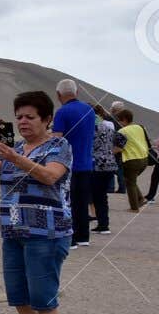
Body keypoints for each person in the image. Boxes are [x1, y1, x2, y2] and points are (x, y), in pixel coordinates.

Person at [0, 90, 72, 314]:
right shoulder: (14, 148)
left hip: (46, 232)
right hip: (13, 229)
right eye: (19, 116)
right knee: (18, 295)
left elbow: (49, 176)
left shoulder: (59, 146)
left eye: (29, 117)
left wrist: (16, 159)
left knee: (43, 296)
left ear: (46, 119)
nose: (22, 122)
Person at [52, 79, 97, 248]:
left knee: (67, 202)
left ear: (58, 95)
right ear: (76, 92)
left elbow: (57, 139)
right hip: (86, 163)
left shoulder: (62, 112)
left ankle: (70, 239)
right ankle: (83, 237)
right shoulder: (89, 110)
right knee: (81, 201)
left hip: (68, 165)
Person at [113, 107, 150, 212]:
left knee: (130, 183)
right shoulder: (139, 127)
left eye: (119, 120)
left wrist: (109, 153)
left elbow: (119, 148)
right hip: (144, 158)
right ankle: (141, 199)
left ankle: (134, 207)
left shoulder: (122, 131)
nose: (118, 122)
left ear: (124, 119)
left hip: (131, 160)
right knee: (130, 180)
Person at [89, 104, 116, 232]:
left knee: (96, 196)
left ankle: (102, 224)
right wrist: (111, 151)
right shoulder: (107, 126)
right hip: (110, 164)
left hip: (98, 165)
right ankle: (103, 225)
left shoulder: (92, 128)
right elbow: (122, 138)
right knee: (102, 196)